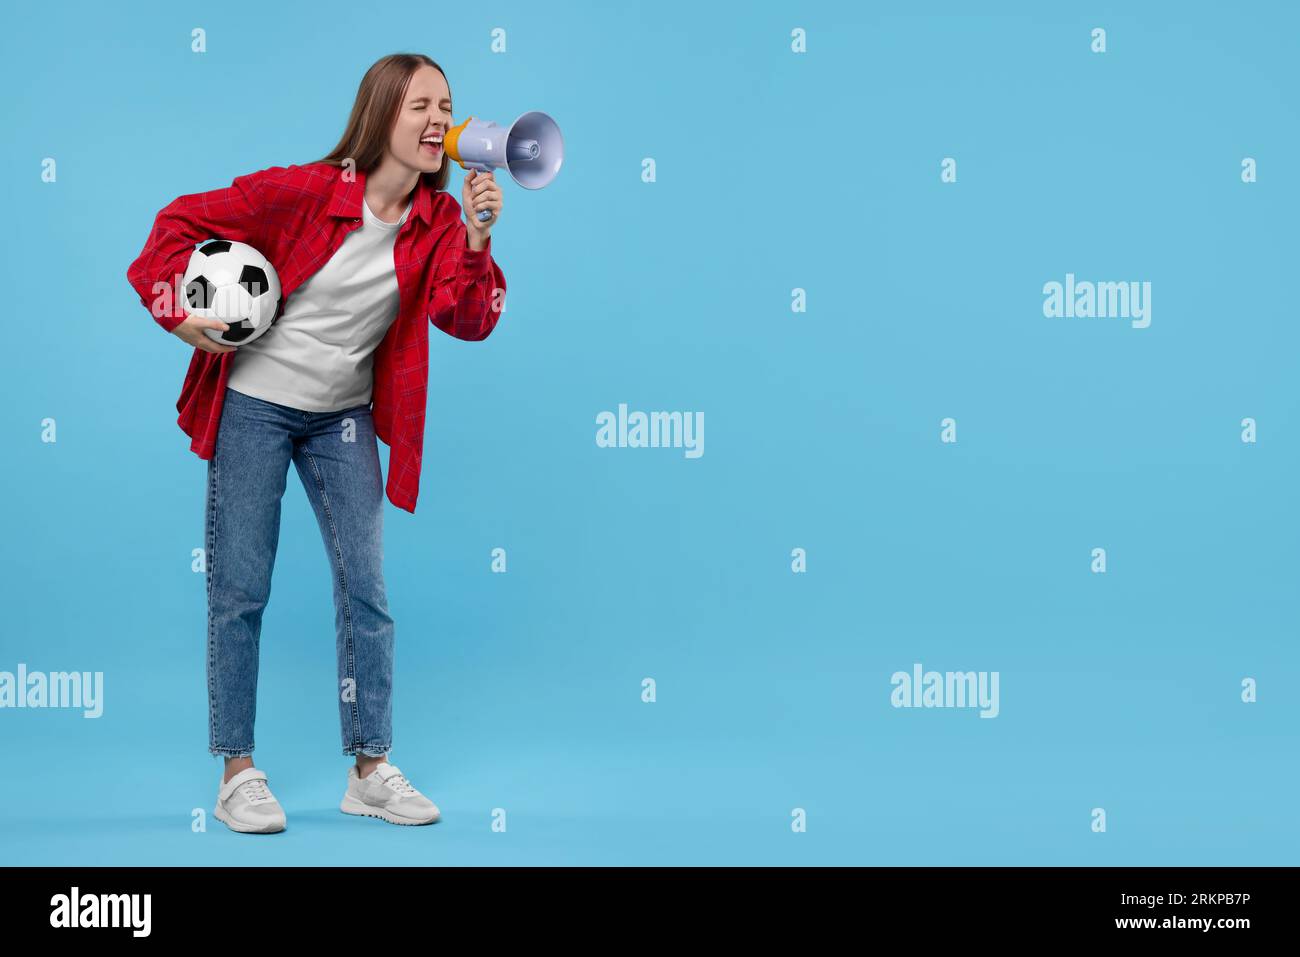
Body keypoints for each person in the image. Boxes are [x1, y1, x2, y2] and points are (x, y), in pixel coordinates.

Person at [125, 53, 507, 833]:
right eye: (420, 106)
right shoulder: (304, 190)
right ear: (380, 117)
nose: (440, 119)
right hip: (257, 404)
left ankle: (370, 767)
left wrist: (475, 235)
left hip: (344, 416)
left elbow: (467, 319)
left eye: (448, 105)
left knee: (367, 590)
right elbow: (173, 225)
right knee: (240, 586)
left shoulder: (436, 222)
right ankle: (237, 769)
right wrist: (177, 308)